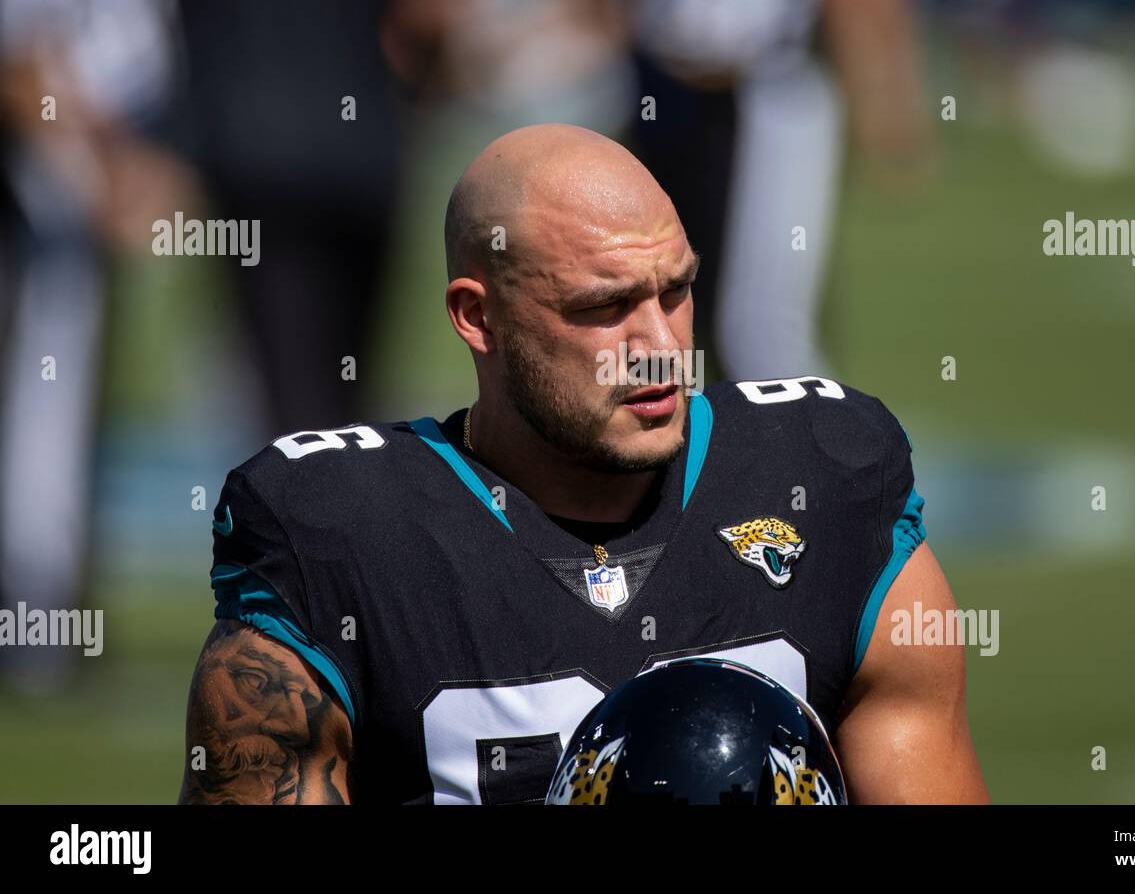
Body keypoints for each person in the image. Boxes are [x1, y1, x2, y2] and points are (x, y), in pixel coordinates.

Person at [179, 124, 986, 804]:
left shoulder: (824, 482)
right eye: (604, 307)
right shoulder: (344, 536)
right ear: (478, 316)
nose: (662, 349)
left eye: (675, 292)